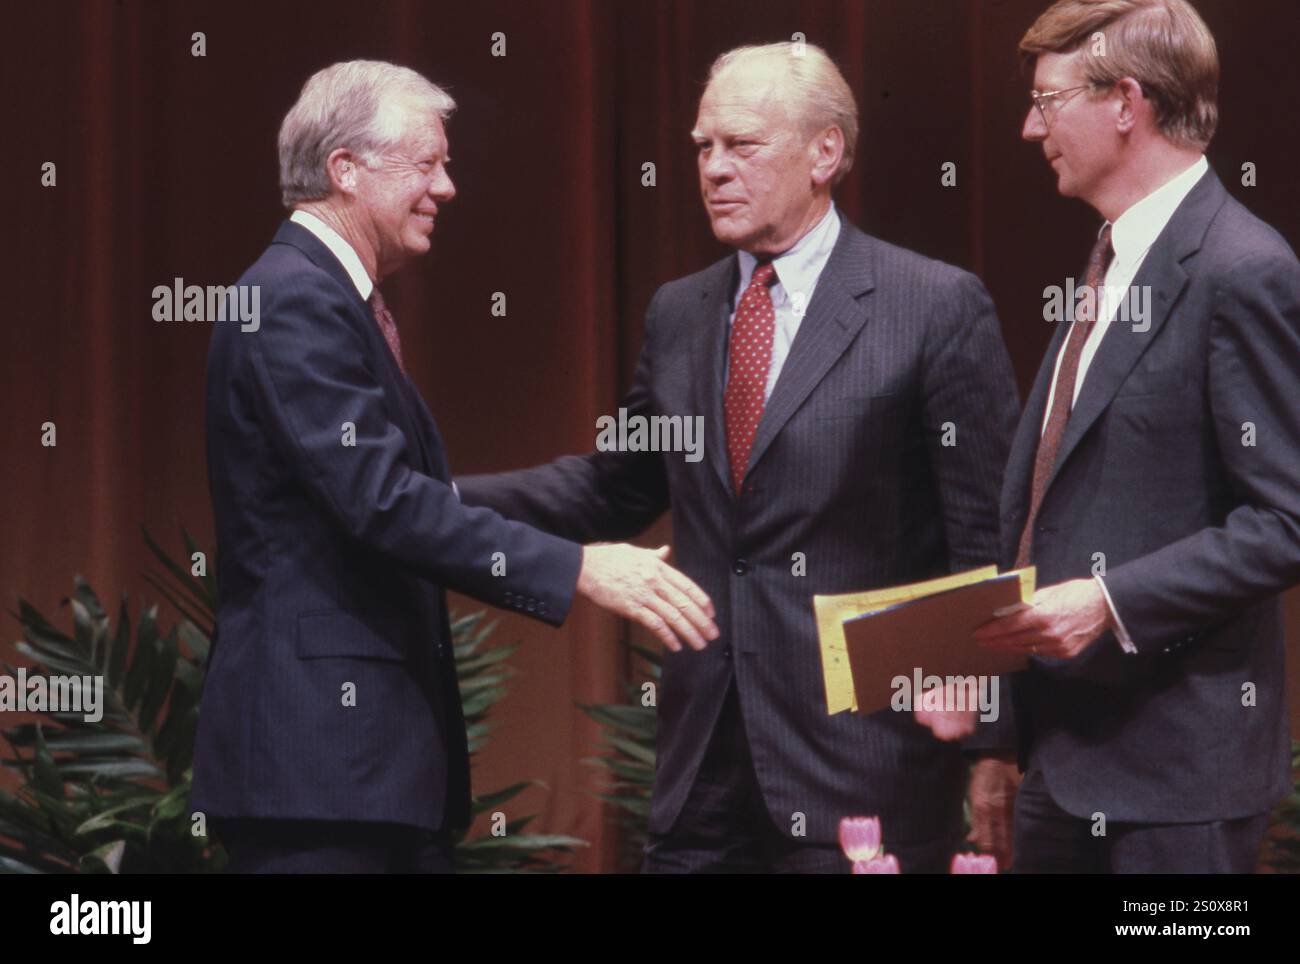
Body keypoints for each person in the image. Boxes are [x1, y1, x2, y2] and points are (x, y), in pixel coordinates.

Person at [458, 42, 1021, 872]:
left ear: (825, 152)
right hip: (703, 772)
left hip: (865, 770)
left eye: (742, 146)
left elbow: (989, 539)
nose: (713, 169)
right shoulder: (680, 313)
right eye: (701, 147)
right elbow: (615, 485)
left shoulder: (932, 306)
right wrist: (427, 498)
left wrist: (994, 746)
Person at [191, 60, 716, 874]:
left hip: (355, 774)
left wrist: (573, 511)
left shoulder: (327, 296)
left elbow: (395, 497)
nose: (448, 186)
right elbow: (383, 503)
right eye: (427, 163)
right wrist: (580, 568)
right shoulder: (294, 298)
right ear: (346, 169)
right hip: (319, 771)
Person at [975, 0, 1300, 873]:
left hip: (1177, 787)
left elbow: (1287, 520)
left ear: (1126, 101)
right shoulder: (1111, 259)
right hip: (1062, 764)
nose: (1027, 126)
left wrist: (1108, 603)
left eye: (1047, 101)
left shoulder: (1244, 268)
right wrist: (1000, 734)